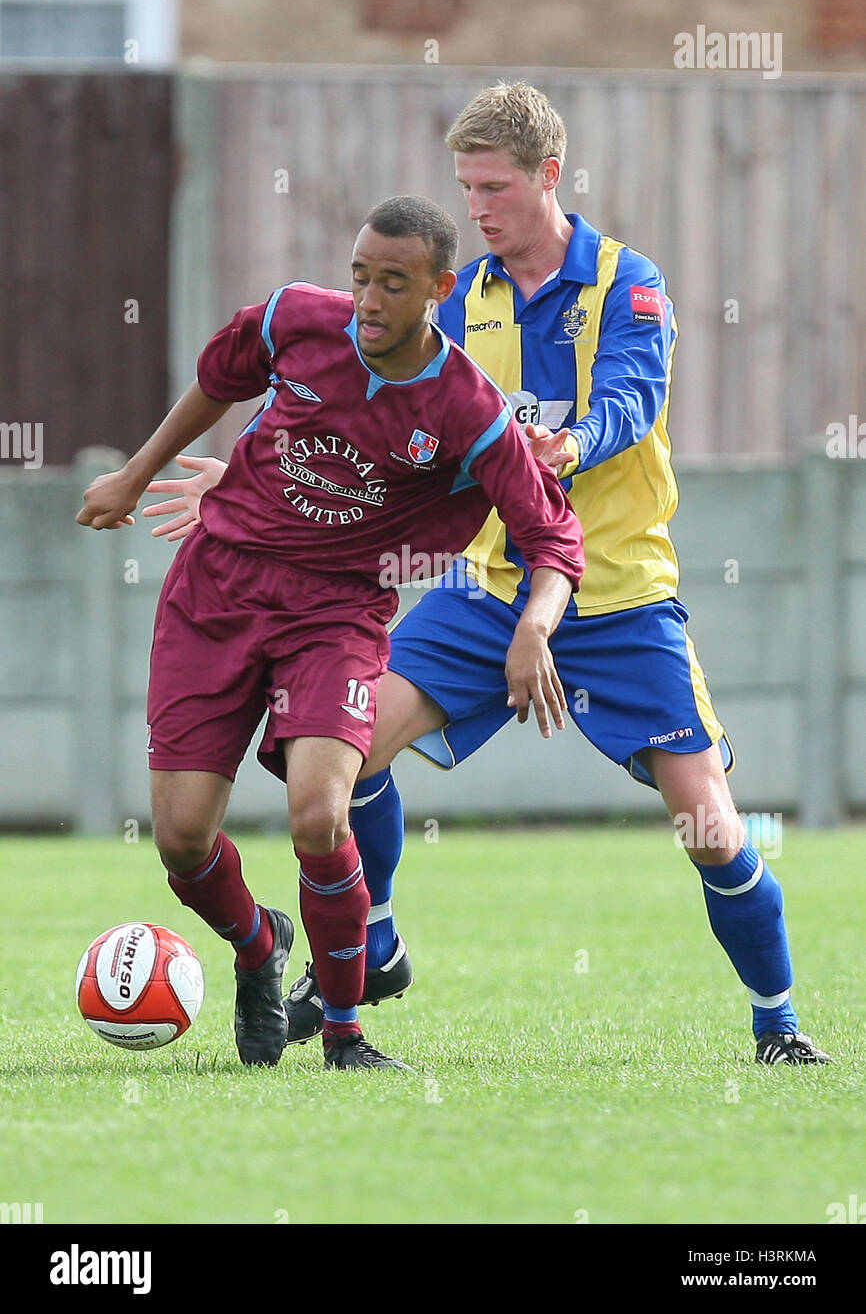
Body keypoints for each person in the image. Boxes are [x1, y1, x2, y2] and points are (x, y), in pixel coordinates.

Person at [150, 84, 831, 1067]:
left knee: (710, 829)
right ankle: (373, 940)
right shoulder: (454, 294)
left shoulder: (624, 284)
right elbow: (348, 390)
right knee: (347, 755)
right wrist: (253, 463)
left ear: (546, 179)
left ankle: (775, 1020)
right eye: (464, 187)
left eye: (493, 187)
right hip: (484, 586)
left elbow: (633, 401)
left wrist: (570, 441)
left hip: (618, 593)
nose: (475, 206)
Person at [76, 194, 585, 1072]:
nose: (371, 300)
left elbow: (552, 537)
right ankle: (254, 943)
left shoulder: (468, 408)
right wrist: (134, 472)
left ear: (439, 286)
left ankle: (346, 1033)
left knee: (318, 812)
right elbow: (216, 382)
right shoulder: (295, 321)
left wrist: (533, 629)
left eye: (394, 283)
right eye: (361, 277)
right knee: (181, 838)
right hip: (217, 590)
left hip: (338, 612)